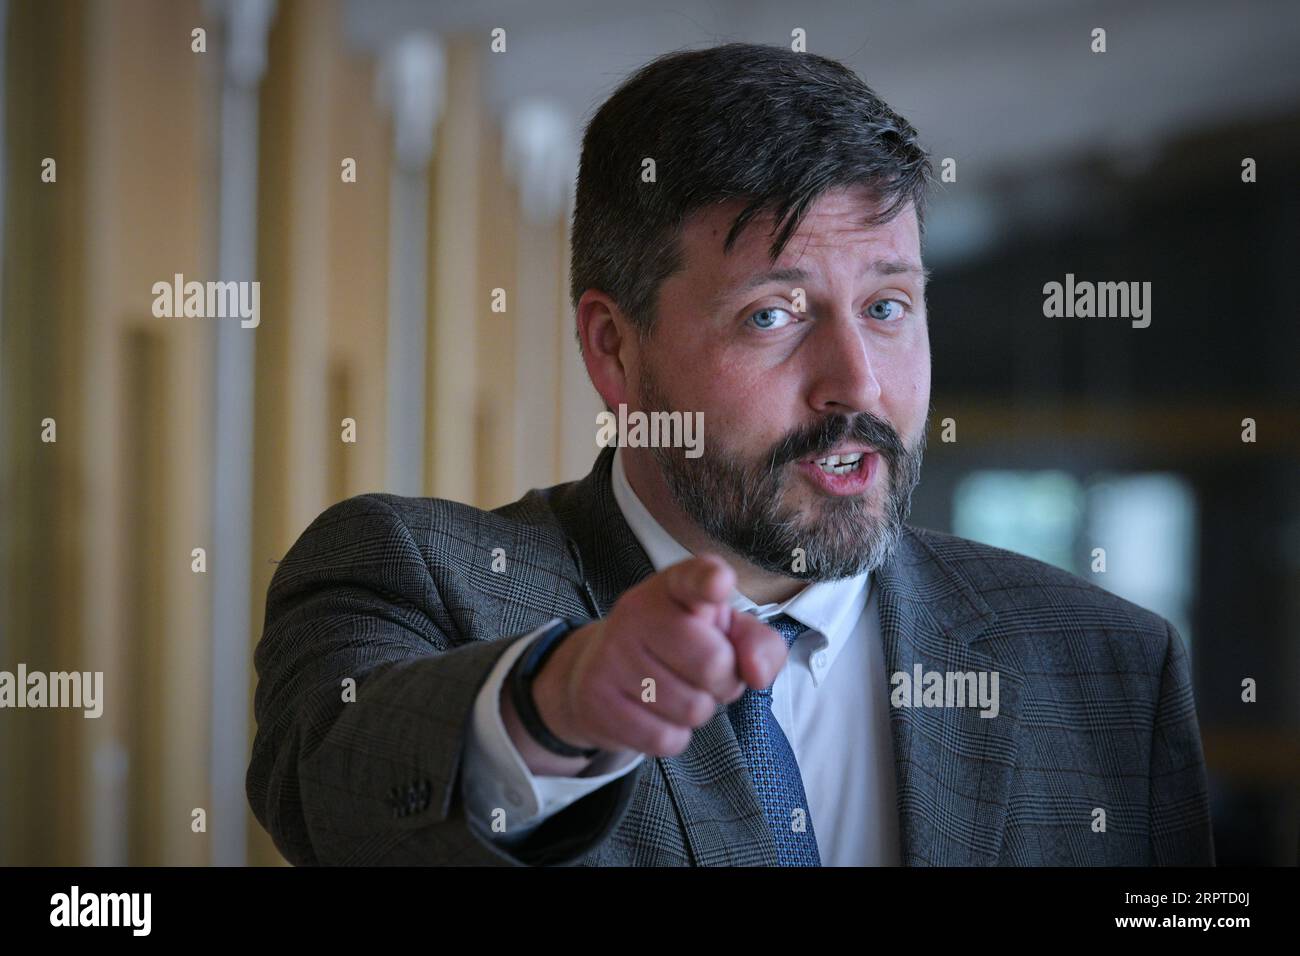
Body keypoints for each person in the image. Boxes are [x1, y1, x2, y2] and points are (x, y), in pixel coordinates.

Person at [246, 42, 1214, 866]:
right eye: (774, 314)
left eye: (887, 307)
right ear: (613, 349)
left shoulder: (1105, 666)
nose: (858, 384)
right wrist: (559, 708)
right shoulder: (416, 575)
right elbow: (333, 788)